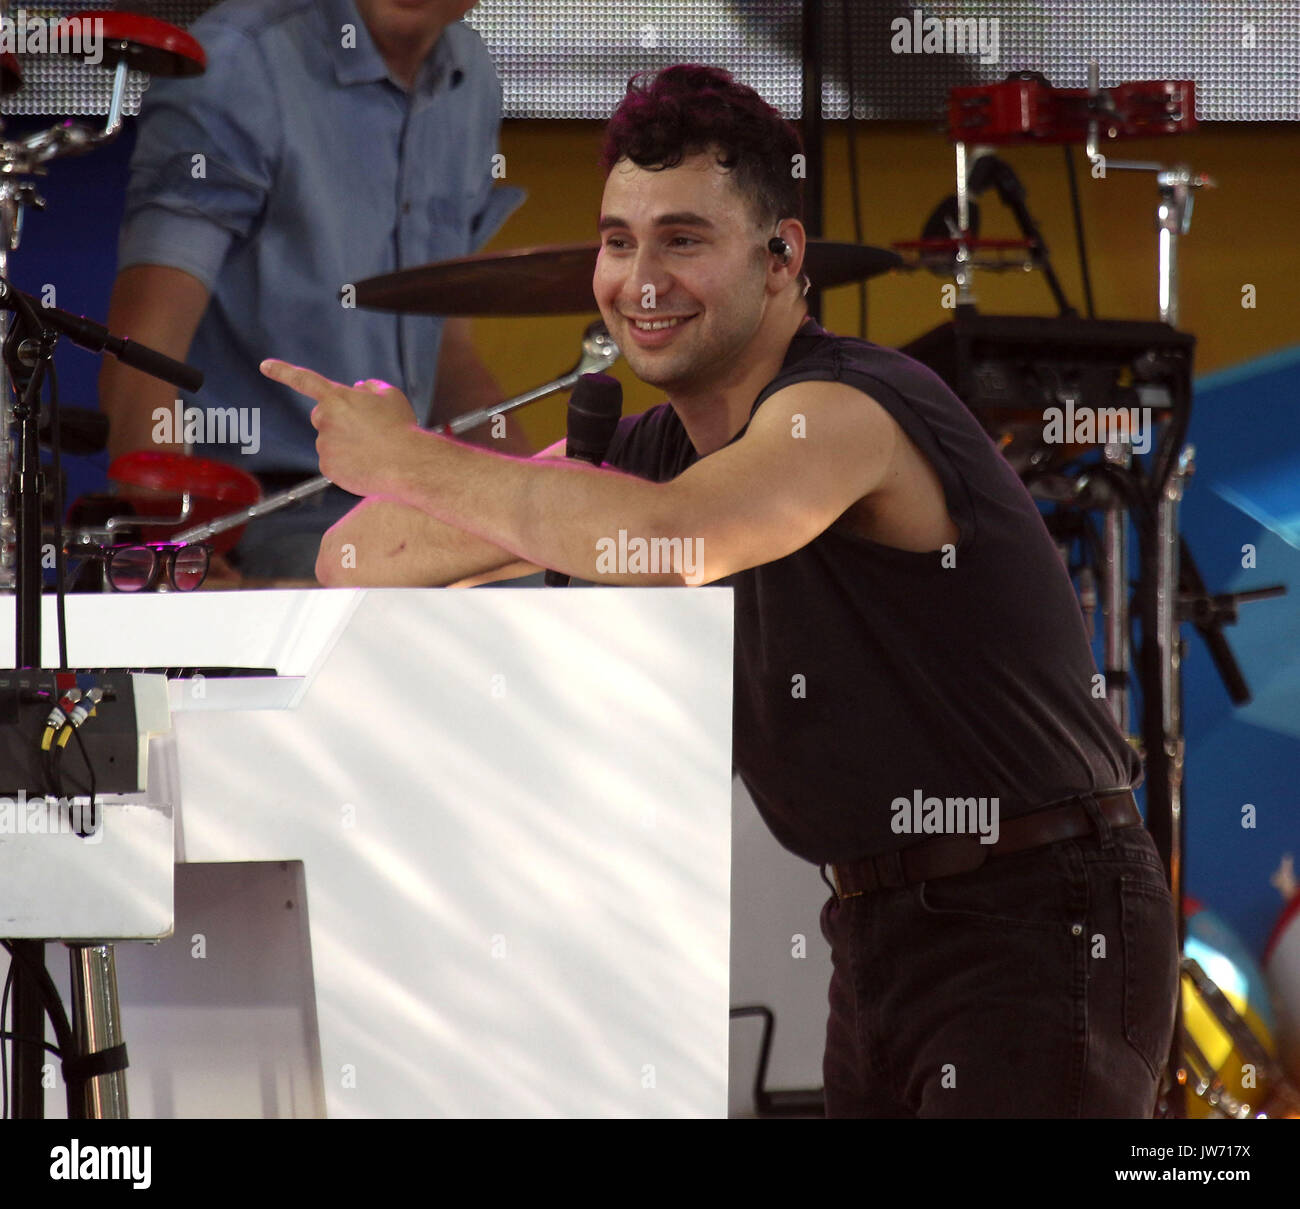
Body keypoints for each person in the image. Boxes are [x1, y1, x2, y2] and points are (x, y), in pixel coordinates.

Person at [260, 64, 1180, 1117]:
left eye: (682, 240)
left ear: (782, 257)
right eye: (618, 241)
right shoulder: (658, 450)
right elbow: (359, 558)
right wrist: (411, 467)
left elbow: (676, 541)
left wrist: (413, 459)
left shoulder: (842, 408)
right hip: (878, 921)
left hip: (1036, 910)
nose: (639, 279)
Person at [99, 0, 526, 581]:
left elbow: (450, 358)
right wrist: (182, 553)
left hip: (416, 500)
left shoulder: (470, 74)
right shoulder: (240, 61)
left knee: (580, 594)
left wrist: (539, 503)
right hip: (269, 513)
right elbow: (143, 349)